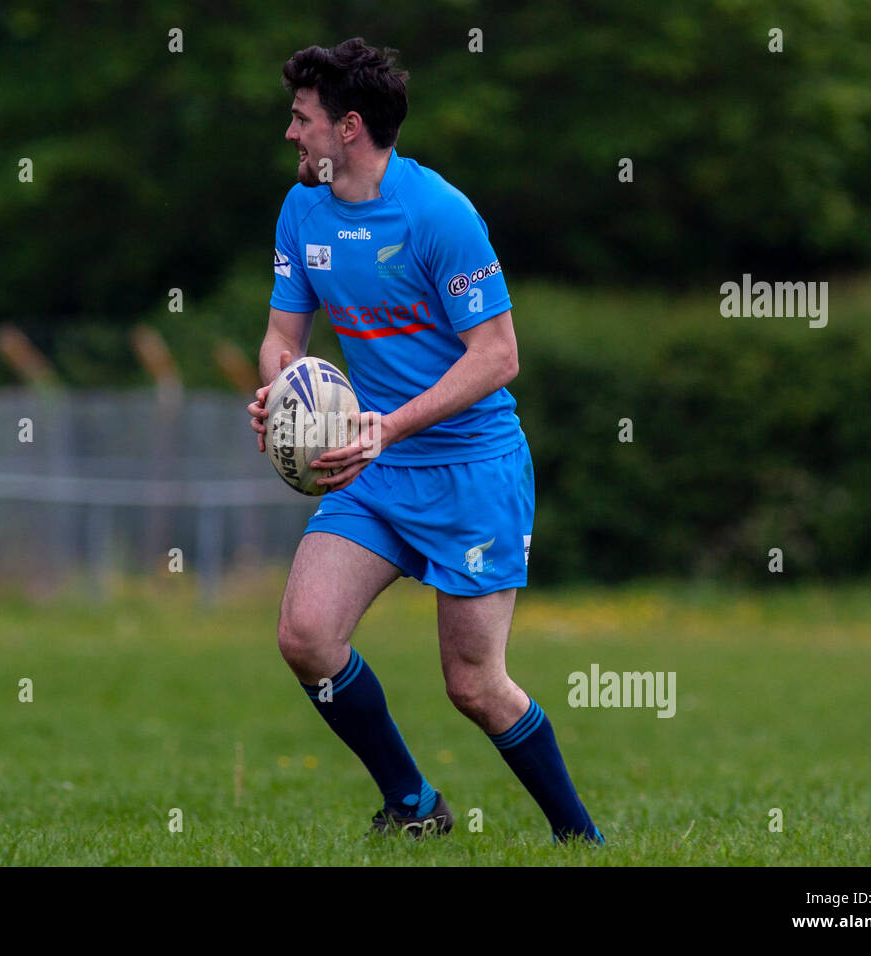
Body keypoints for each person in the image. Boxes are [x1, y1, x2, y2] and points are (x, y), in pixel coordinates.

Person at [248, 37, 602, 844]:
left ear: (350, 127)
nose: (290, 134)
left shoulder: (440, 213)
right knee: (306, 635)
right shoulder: (302, 209)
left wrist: (388, 425)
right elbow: (281, 336)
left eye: (301, 119)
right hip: (373, 471)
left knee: (474, 685)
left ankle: (580, 842)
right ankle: (412, 804)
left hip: (472, 469)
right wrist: (280, 391)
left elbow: (500, 355)